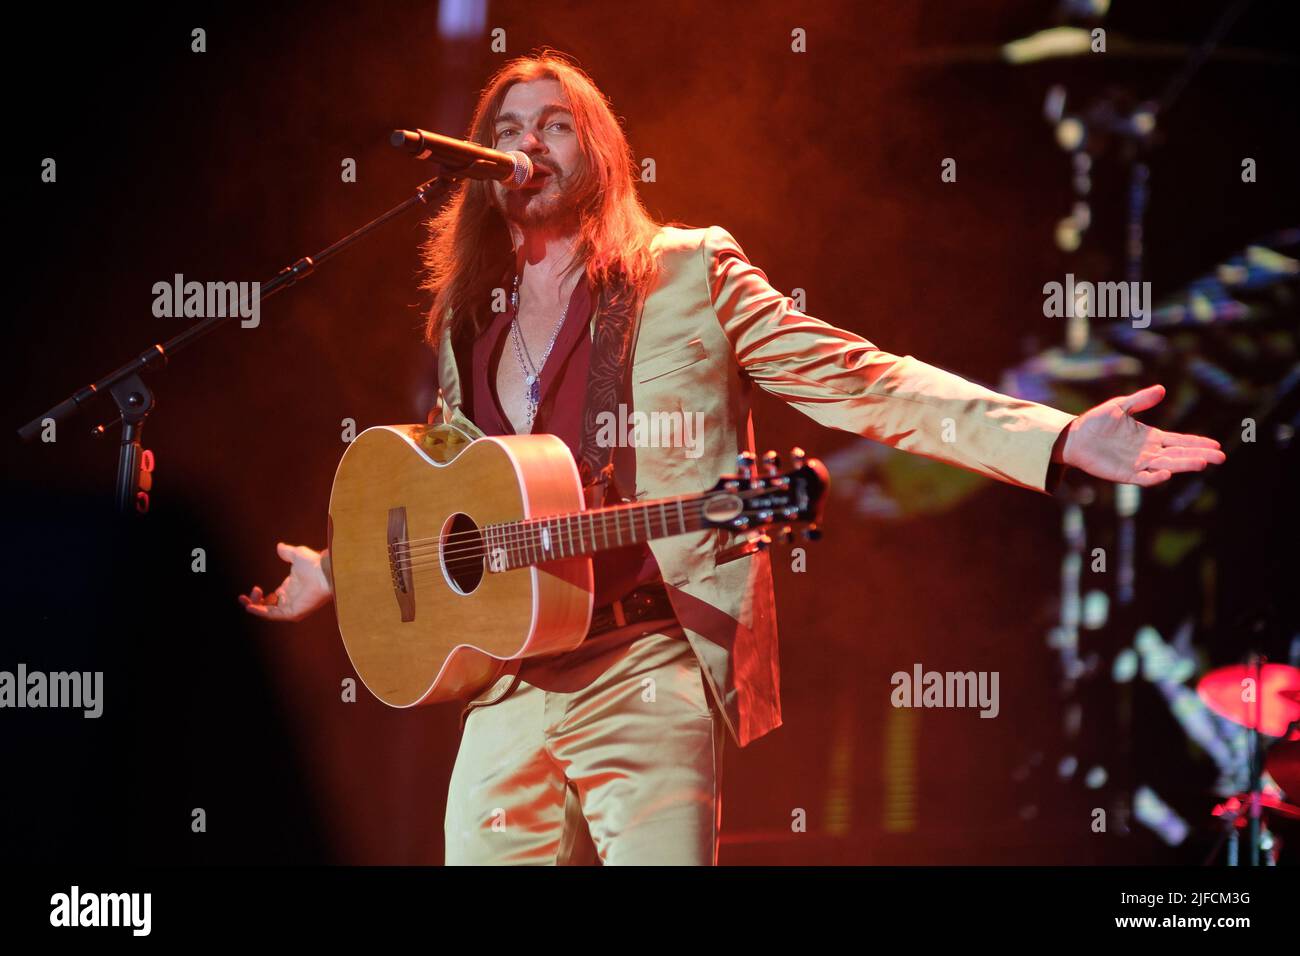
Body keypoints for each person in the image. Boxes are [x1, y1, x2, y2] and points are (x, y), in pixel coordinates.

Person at [240, 52, 1225, 865]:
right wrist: (336, 568)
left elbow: (862, 379)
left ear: (603, 155)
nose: (525, 143)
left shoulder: (690, 271)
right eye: (505, 129)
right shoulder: (472, 321)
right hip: (506, 680)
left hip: (647, 661)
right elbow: (445, 482)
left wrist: (1052, 434)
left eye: (554, 125)